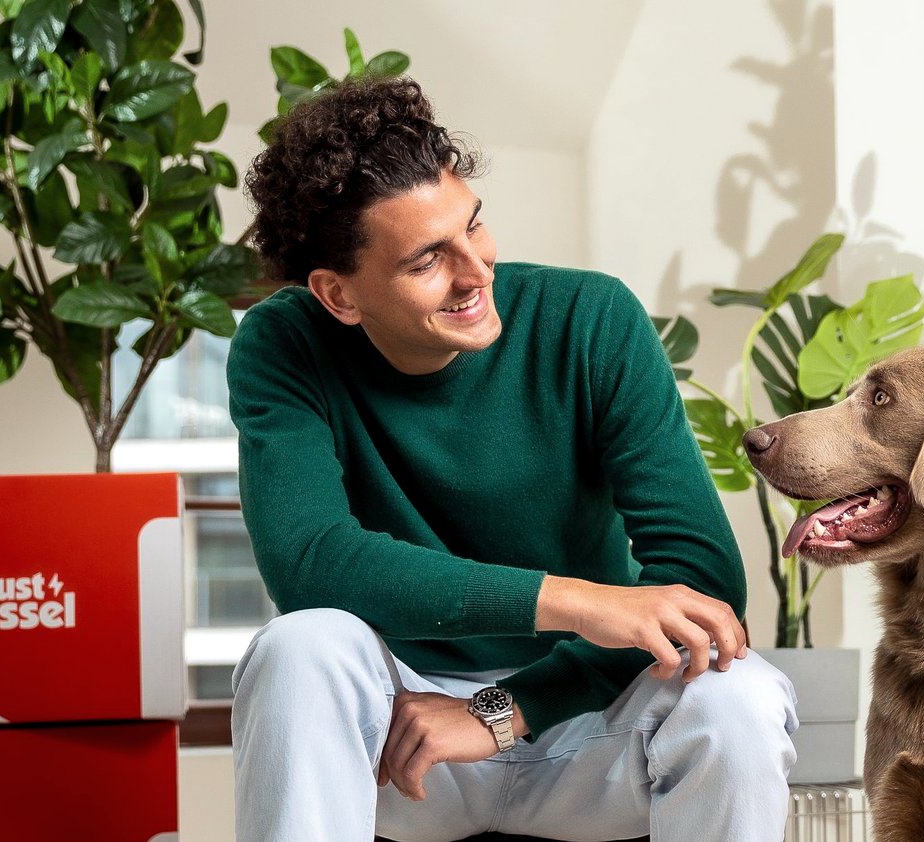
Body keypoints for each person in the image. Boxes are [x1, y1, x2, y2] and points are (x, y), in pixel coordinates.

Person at [227, 76, 798, 842]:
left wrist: (505, 711)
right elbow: (311, 562)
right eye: (428, 259)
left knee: (740, 697)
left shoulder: (589, 320)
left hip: (579, 728)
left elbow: (702, 585)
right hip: (397, 739)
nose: (476, 271)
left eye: (475, 226)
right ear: (339, 295)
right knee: (299, 649)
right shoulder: (285, 342)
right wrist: (581, 601)